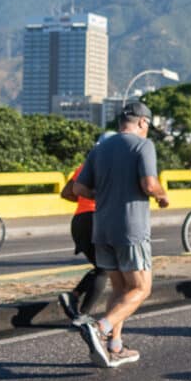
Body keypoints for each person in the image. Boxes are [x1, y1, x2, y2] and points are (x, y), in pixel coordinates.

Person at [69, 100, 170, 368]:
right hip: (130, 228)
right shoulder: (142, 145)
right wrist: (161, 195)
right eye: (147, 125)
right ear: (142, 122)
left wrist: (103, 195)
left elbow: (79, 188)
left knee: (120, 288)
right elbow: (149, 184)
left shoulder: (100, 149)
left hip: (102, 228)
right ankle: (100, 329)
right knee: (140, 288)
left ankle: (115, 346)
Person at [57, 132, 116, 323]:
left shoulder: (85, 166)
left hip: (79, 222)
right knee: (105, 268)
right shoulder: (115, 168)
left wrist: (85, 198)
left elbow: (67, 193)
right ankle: (83, 314)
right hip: (98, 220)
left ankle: (73, 297)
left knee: (101, 266)